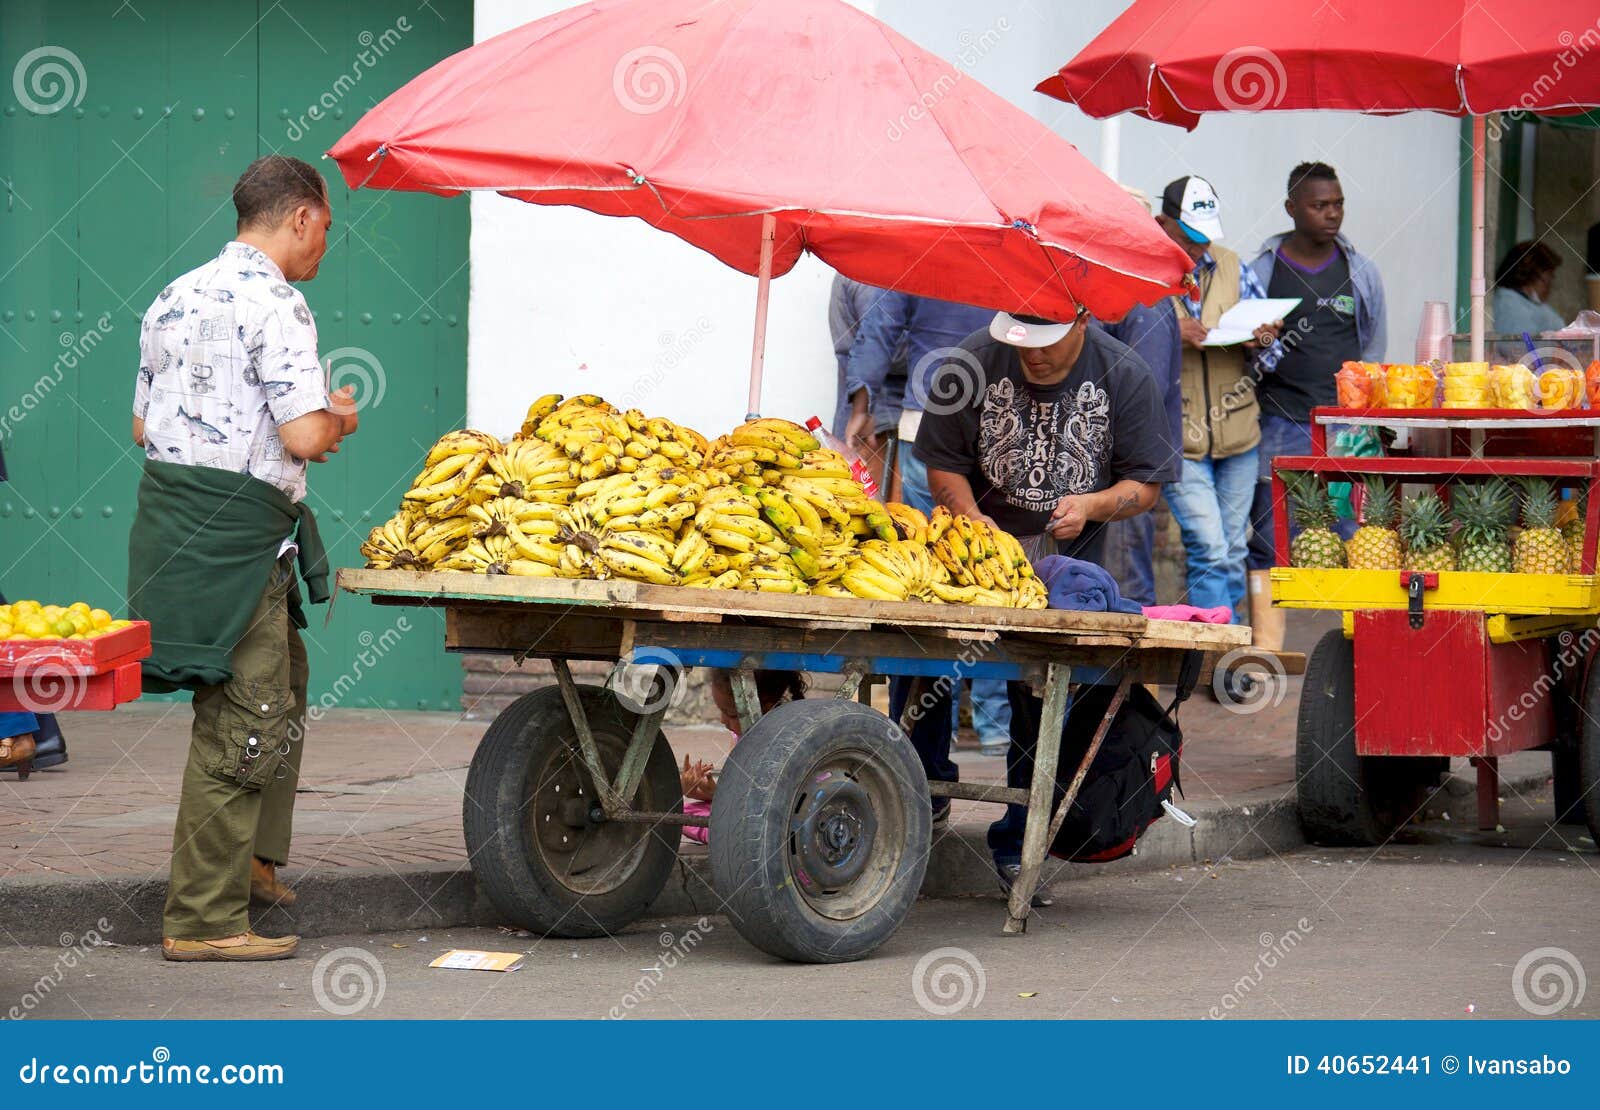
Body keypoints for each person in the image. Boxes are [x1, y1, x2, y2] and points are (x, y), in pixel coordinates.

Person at [129, 154, 357, 962]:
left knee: (280, 686)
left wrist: (294, 430)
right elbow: (302, 434)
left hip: (176, 530)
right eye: (325, 230)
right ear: (299, 216)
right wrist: (337, 421)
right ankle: (201, 919)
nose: (325, 248)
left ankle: (252, 865)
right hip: (237, 541)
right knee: (247, 716)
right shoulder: (278, 302)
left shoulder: (171, 295)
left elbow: (143, 427)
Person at [913, 308, 1179, 896]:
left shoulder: (1124, 374)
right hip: (970, 554)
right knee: (922, 664)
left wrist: (1092, 505)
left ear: (1080, 324)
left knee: (1037, 701)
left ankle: (1017, 841)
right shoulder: (971, 361)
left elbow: (1146, 483)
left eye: (1047, 344)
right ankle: (919, 794)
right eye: (1021, 344)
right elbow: (942, 464)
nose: (1033, 355)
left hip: (1067, 570)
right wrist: (973, 520)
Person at [840, 291, 1012, 756]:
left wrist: (861, 402)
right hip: (1003, 428)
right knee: (993, 568)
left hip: (929, 422)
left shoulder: (924, 245)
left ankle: (925, 747)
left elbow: (880, 327)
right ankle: (997, 724)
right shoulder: (1016, 238)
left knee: (927, 580)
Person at [1245, 161, 1386, 649]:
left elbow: (1372, 347)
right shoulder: (1264, 270)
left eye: (1338, 203)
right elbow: (1247, 342)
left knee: (1357, 532)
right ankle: (1267, 649)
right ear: (1291, 209)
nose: (1332, 214)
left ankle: (1361, 640)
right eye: (1319, 205)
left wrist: (1370, 414)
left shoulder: (1359, 270)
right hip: (1279, 420)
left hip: (1348, 428)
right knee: (1268, 535)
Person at [1154, 176, 1278, 640]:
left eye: (1207, 233)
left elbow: (1270, 356)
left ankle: (1221, 640)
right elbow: (1121, 347)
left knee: (1230, 549)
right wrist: (1172, 331)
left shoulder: (1231, 265)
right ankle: (1218, 650)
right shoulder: (1145, 271)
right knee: (1208, 546)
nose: (1201, 244)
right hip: (1179, 435)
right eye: (1191, 234)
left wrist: (1264, 336)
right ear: (1163, 223)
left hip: (1238, 432)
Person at [1099, 188, 1183, 609]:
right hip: (1116, 470)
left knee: (1126, 592)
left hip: (1126, 469)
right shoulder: (1119, 288)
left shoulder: (1144, 297)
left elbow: (1140, 393)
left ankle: (1129, 677)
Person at [679, 670, 807, 844]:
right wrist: (700, 792)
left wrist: (720, 796)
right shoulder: (740, 738)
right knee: (684, 815)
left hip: (784, 817)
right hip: (745, 813)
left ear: (765, 706)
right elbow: (740, 794)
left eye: (731, 714)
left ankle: (735, 841)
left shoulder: (787, 741)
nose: (723, 720)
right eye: (721, 711)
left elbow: (773, 803)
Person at [828, 275, 905, 492]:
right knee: (874, 514)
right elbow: (886, 347)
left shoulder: (856, 267)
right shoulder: (869, 275)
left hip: (872, 419)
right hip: (876, 426)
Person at [1491, 240, 1566, 335]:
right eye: (1549, 277)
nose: (1550, 286)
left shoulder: (1528, 302)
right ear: (1532, 277)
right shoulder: (1509, 307)